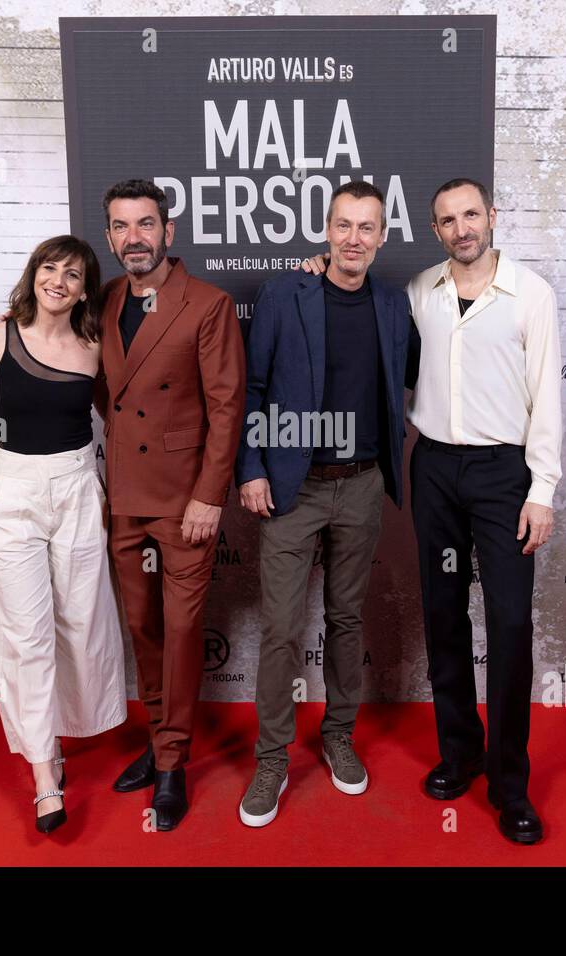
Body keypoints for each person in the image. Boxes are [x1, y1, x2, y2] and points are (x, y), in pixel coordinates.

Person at [234, 181, 419, 827]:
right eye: (343, 225)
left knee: (345, 620)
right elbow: (253, 387)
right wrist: (252, 468)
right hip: (294, 485)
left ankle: (338, 734)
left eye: (367, 228)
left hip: (363, 483)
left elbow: (425, 374)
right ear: (326, 228)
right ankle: (272, 758)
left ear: (382, 236)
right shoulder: (287, 292)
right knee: (282, 628)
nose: (353, 239)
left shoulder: (395, 306)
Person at [0, 235, 127, 835]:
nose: (59, 280)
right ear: (33, 274)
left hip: (78, 488)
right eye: (49, 268)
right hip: (13, 494)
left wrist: (111, 485)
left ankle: (70, 727)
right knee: (25, 635)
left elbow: (121, 415)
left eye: (73, 274)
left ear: (85, 289)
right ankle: (44, 774)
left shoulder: (94, 345)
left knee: (81, 621)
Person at [407, 178, 562, 844]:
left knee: (508, 623)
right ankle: (460, 751)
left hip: (505, 475)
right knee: (443, 616)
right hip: (436, 469)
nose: (462, 227)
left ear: (492, 217)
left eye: (472, 214)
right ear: (436, 229)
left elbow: (547, 395)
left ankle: (509, 782)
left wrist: (542, 490)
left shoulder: (532, 294)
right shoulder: (420, 293)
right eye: (448, 220)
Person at [95, 179, 246, 831]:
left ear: (169, 232)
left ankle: (171, 764)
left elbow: (226, 405)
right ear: (109, 237)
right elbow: (105, 393)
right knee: (143, 628)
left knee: (182, 633)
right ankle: (159, 741)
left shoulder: (208, 303)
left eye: (146, 224)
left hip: (186, 502)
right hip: (125, 496)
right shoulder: (100, 301)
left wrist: (209, 496)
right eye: (122, 226)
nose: (135, 237)